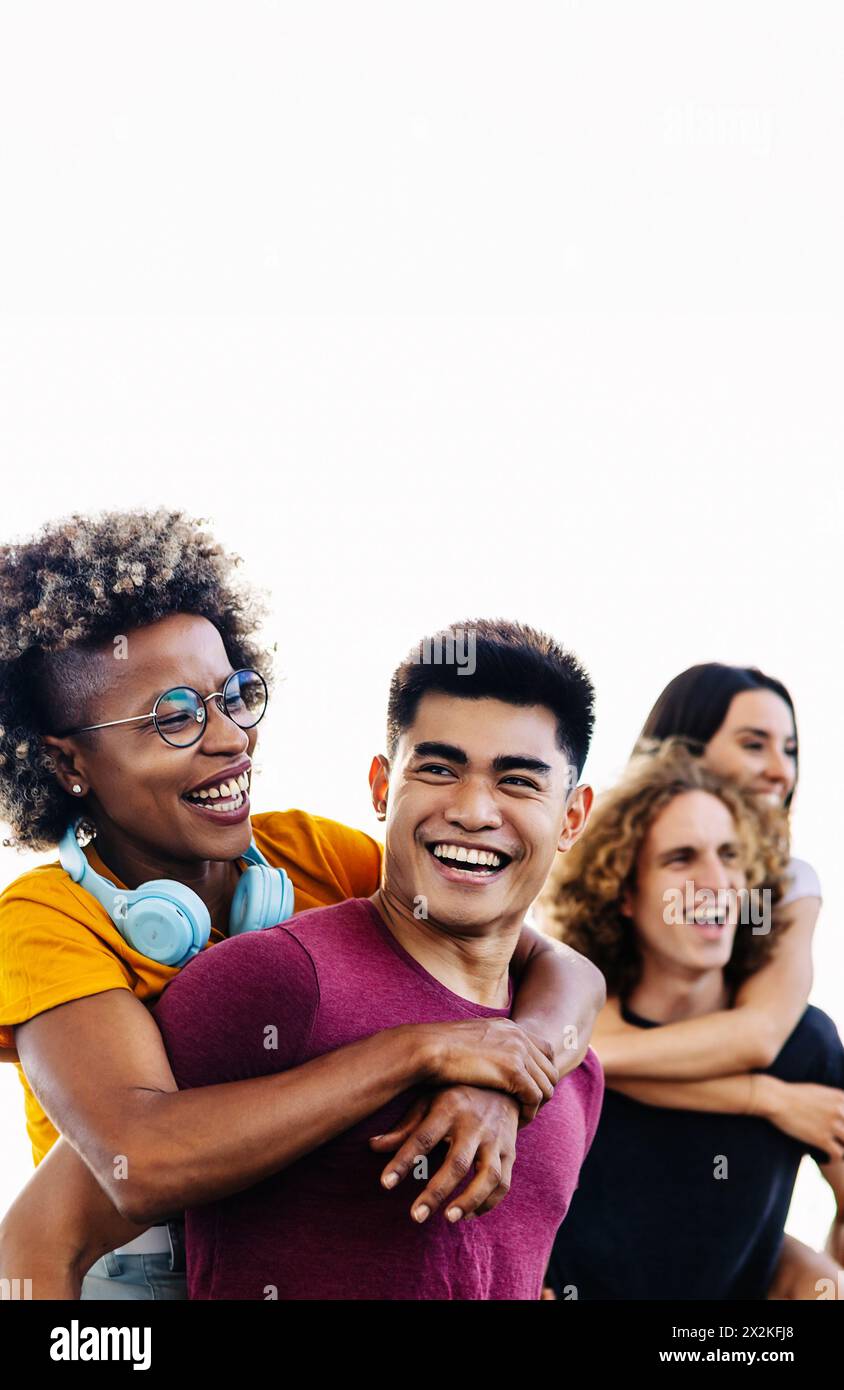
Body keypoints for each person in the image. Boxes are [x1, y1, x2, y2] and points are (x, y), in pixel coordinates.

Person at [0, 511, 605, 1299]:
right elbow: (138, 1165)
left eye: (234, 698)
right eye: (174, 717)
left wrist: (501, 1069)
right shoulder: (42, 920)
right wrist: (420, 1050)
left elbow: (560, 967)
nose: (230, 740)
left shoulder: (314, 856)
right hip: (122, 1273)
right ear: (68, 762)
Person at [148, 619, 605, 1300]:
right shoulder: (274, 982)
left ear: (571, 819)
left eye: (517, 782)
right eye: (440, 769)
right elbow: (66, 1218)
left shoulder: (571, 1070)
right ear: (382, 787)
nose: (475, 811)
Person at [540, 744, 844, 1301]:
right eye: (682, 858)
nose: (717, 881)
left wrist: (818, 1277)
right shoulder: (563, 1032)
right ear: (625, 893)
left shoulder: (807, 1047)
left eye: (729, 855)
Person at [540, 663, 822, 1091]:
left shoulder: (789, 884)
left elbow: (758, 1036)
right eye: (753, 745)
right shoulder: (605, 869)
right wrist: (763, 1099)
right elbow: (592, 1047)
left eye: (790, 750)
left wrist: (569, 1059)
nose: (781, 770)